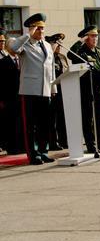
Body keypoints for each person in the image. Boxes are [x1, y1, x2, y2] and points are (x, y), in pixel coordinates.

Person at [8, 13, 55, 165]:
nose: (41, 31)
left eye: (42, 28)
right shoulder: (24, 44)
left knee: (45, 124)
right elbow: (13, 48)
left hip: (45, 90)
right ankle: (33, 154)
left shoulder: (47, 45)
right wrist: (28, 34)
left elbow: (51, 68)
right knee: (31, 125)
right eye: (38, 29)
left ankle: (43, 151)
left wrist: (53, 88)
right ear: (31, 29)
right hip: (29, 91)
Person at [71, 26, 100, 154]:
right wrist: (80, 41)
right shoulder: (81, 51)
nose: (95, 38)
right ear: (86, 38)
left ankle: (99, 142)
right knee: (88, 119)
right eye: (92, 36)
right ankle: (91, 145)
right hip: (88, 90)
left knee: (99, 118)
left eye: (96, 36)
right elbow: (70, 54)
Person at [45, 33, 68, 150]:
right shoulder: (48, 57)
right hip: (53, 92)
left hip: (64, 92)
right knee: (52, 119)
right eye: (57, 44)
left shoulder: (63, 58)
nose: (60, 46)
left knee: (62, 118)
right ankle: (53, 142)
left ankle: (64, 140)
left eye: (61, 44)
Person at [0, 39, 22, 154]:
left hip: (22, 96)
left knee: (21, 122)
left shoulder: (23, 60)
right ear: (8, 48)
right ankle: (12, 147)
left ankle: (22, 146)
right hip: (9, 97)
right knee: (11, 123)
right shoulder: (3, 62)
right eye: (13, 45)